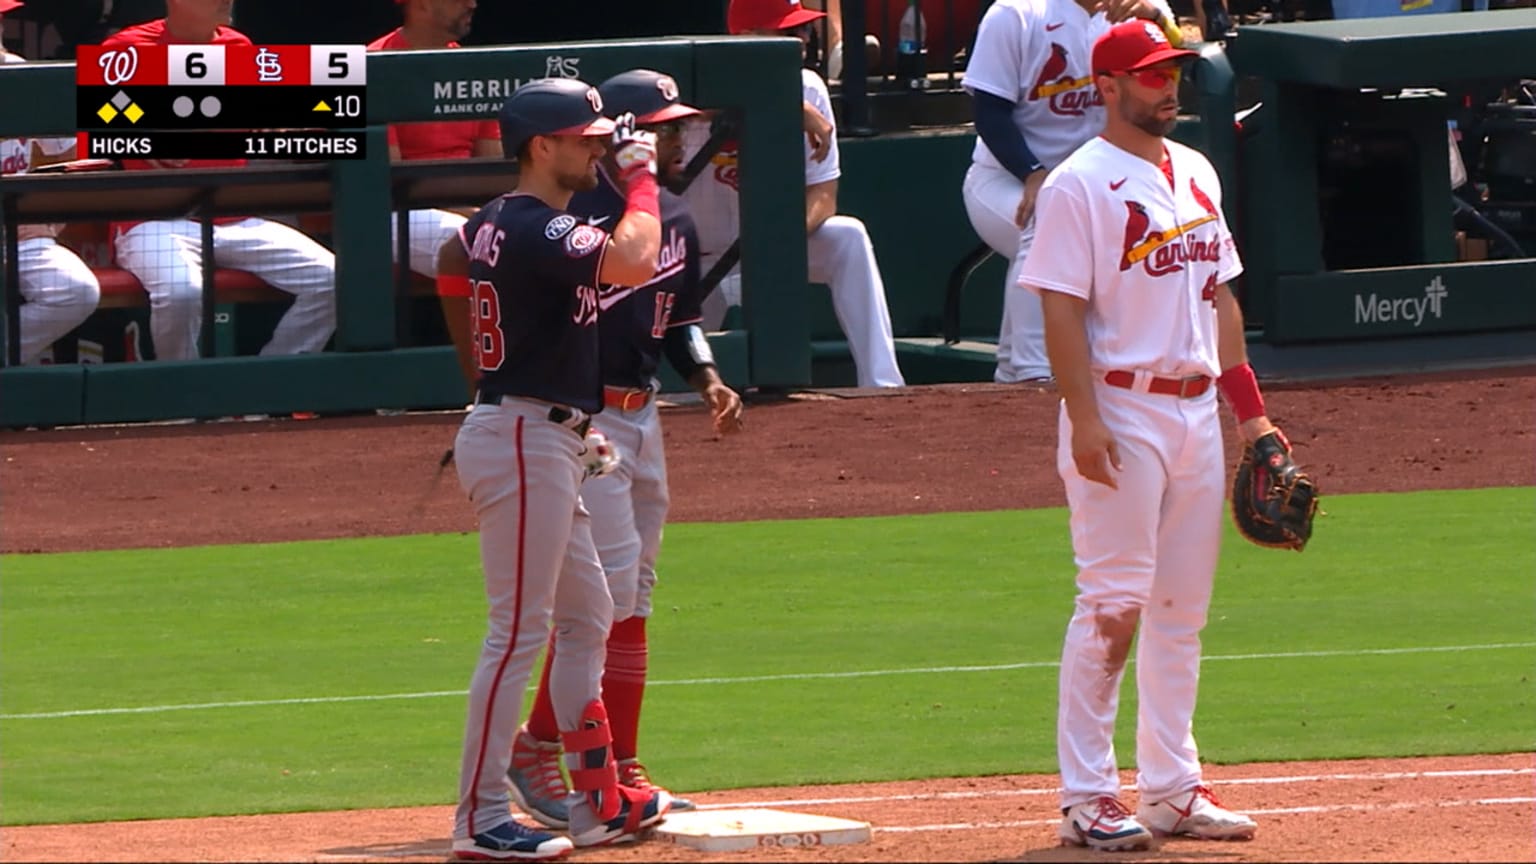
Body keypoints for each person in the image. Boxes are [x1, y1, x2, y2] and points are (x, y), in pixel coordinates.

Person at [1019, 20, 1275, 850]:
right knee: (1114, 605)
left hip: (1197, 410)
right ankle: (1087, 795)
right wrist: (1084, 416)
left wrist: (1254, 416)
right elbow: (1058, 304)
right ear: (1108, 87)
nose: (1168, 86)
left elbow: (1222, 301)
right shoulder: (1077, 185)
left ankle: (1171, 788)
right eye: (1151, 74)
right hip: (1121, 411)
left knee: (1179, 612)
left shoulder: (1197, 171)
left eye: (1173, 72)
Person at [501, 68, 745, 831]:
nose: (679, 139)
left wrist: (704, 376)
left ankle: (622, 764)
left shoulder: (673, 216)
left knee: (631, 594)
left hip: (646, 417)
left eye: (679, 127)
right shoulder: (574, 217)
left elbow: (676, 317)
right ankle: (547, 750)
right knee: (599, 603)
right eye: (664, 128)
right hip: (586, 417)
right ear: (621, 136)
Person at [434, 77, 672, 860]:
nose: (597, 147)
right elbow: (634, 261)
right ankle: (478, 818)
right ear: (544, 146)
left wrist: (575, 428)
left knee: (586, 619)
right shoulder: (533, 225)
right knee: (517, 632)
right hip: (521, 436)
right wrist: (641, 180)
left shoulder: (506, 223)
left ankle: (596, 801)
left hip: (545, 432)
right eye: (585, 139)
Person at [686, 0, 906, 390]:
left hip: (772, 249)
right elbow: (697, 107)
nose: (803, 39)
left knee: (847, 237)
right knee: (672, 386)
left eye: (803, 29)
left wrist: (779, 244)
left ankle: (883, 384)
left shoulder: (809, 87)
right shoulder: (695, 86)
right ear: (747, 39)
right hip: (698, 260)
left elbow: (824, 194)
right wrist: (788, 102)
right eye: (788, 31)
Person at [101, 0, 336, 361]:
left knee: (333, 279)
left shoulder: (238, 47)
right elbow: (108, 119)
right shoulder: (127, 48)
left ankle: (266, 386)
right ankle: (183, 396)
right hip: (154, 222)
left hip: (231, 218)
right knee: (181, 291)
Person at [962, 0, 1180, 383]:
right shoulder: (1016, 13)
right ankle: (1035, 371)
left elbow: (1177, 60)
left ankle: (1012, 369)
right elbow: (989, 112)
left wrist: (1158, 21)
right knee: (1049, 218)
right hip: (1005, 180)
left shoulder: (1139, 7)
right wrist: (1032, 173)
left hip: (1097, 185)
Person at [368, 0, 502, 280]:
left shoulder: (473, 68)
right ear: (422, 5)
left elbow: (491, 167)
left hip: (467, 210)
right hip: (396, 214)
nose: (472, 4)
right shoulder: (375, 65)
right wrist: (479, 215)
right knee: (483, 243)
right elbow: (392, 180)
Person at [1, 2, 101, 365]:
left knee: (76, 291)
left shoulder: (24, 76)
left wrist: (49, 217)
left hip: (19, 235)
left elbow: (70, 156)